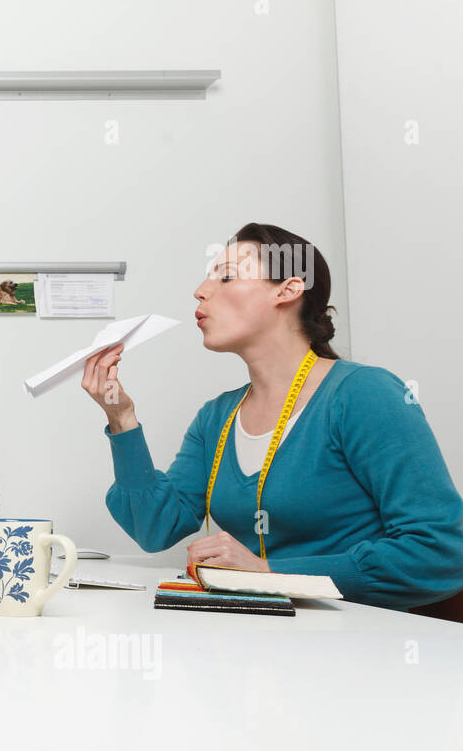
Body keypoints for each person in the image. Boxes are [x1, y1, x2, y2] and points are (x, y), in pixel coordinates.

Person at [82, 222, 463, 611]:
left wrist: (270, 573)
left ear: (288, 289)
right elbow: (156, 527)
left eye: (227, 276)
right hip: (262, 645)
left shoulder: (366, 394)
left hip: (359, 646)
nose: (200, 290)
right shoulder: (217, 417)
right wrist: (121, 417)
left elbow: (438, 552)